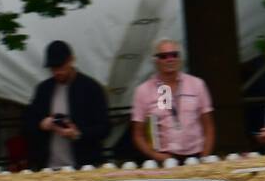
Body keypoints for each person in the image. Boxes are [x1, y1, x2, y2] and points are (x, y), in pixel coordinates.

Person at [23, 41, 110, 169]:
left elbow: (105, 128)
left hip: (84, 167)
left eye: (61, 66)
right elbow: (26, 124)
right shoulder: (43, 89)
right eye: (53, 68)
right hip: (48, 167)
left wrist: (78, 134)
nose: (57, 72)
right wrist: (41, 124)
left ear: (71, 60)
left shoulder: (91, 88)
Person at [131, 39, 215, 162]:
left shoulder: (197, 84)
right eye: (163, 56)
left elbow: (209, 126)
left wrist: (204, 157)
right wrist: (156, 156)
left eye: (174, 55)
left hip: (196, 156)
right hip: (163, 158)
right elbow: (138, 135)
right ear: (155, 61)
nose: (170, 59)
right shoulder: (143, 91)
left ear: (180, 58)